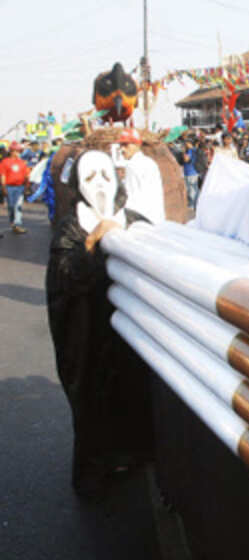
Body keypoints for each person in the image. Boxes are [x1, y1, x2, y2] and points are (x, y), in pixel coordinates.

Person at [46, 149, 153, 497]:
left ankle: (130, 457)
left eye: (106, 176)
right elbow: (65, 277)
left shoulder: (134, 219)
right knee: (93, 401)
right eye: (90, 178)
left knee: (130, 393)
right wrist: (93, 243)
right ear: (78, 185)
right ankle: (94, 473)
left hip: (128, 332)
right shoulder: (72, 225)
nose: (100, 185)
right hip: (88, 332)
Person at [116, 128, 165, 224]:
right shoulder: (148, 162)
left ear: (137, 145)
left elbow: (130, 197)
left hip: (141, 219)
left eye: (126, 145)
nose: (122, 149)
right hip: (155, 218)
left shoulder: (134, 166)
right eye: (121, 145)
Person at [0, 141, 31, 234]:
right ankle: (13, 223)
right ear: (12, 151)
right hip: (9, 187)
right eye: (17, 151)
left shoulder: (22, 162)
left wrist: (26, 186)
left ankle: (17, 224)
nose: (18, 153)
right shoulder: (5, 162)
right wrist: (4, 187)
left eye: (19, 151)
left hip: (20, 187)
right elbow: (3, 175)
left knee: (18, 206)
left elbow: (26, 175)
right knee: (11, 206)